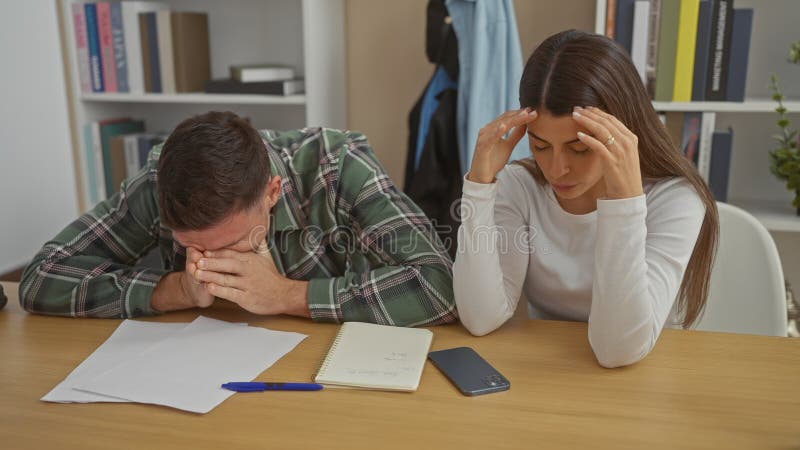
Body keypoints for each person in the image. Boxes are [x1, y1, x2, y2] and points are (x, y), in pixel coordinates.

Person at [20, 111, 457, 326]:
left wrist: (286, 295)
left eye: (231, 243)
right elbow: (41, 276)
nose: (214, 262)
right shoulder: (160, 180)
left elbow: (440, 285)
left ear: (272, 192)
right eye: (194, 247)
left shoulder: (336, 166)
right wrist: (172, 290)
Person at [453, 30, 719, 368]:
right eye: (540, 146)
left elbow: (617, 350)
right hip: (549, 372)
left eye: (579, 149)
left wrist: (624, 203)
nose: (556, 169)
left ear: (622, 131)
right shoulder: (520, 186)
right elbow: (480, 318)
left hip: (643, 381)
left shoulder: (676, 200)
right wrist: (479, 185)